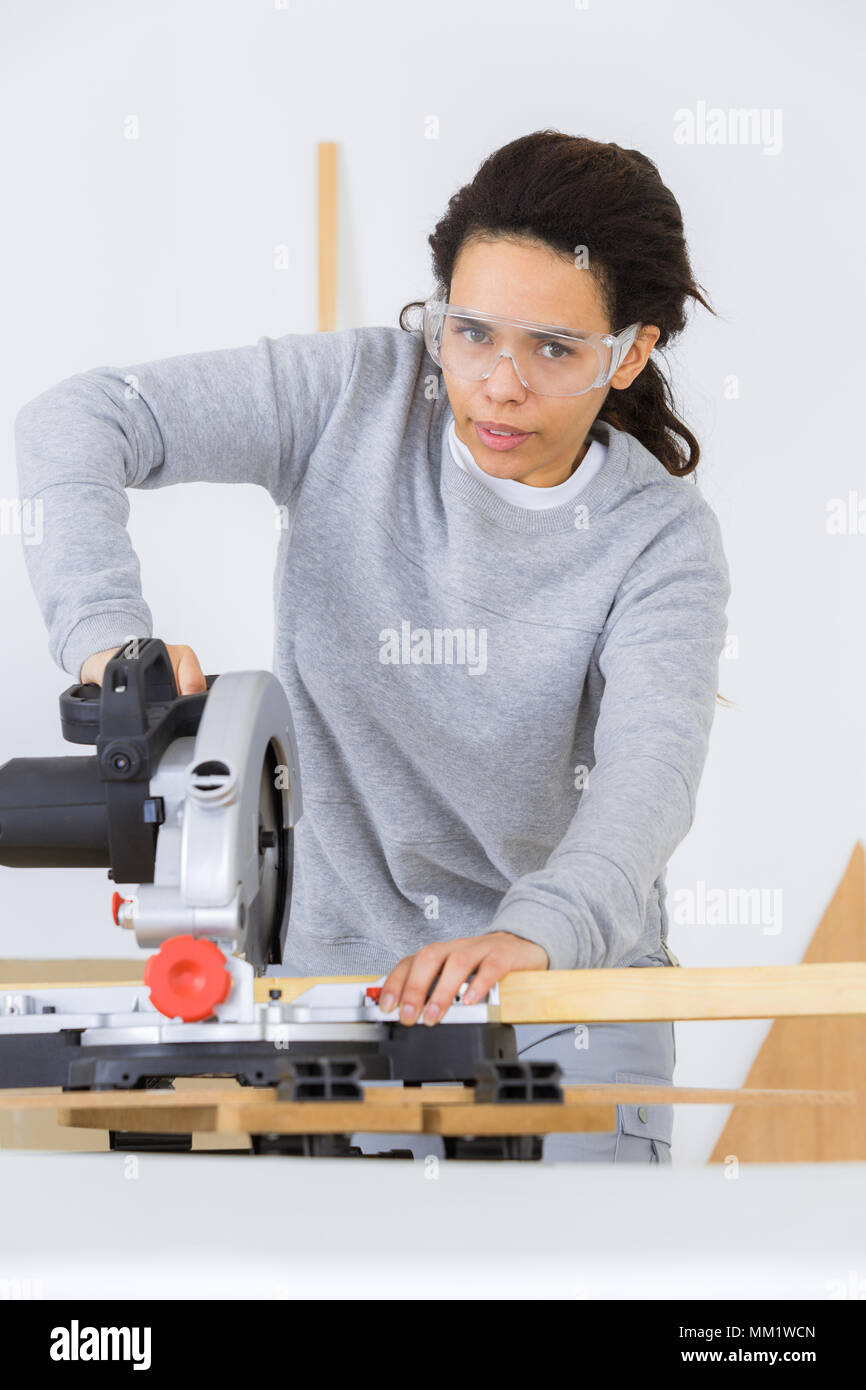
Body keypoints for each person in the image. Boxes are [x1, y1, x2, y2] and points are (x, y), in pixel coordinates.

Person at [14, 130, 730, 1163]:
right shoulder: (356, 394)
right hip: (331, 1002)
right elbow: (75, 420)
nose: (497, 383)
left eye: (554, 349)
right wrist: (105, 642)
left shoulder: (658, 536)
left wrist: (534, 932)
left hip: (559, 997)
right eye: (471, 331)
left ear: (629, 352)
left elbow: (645, 783)